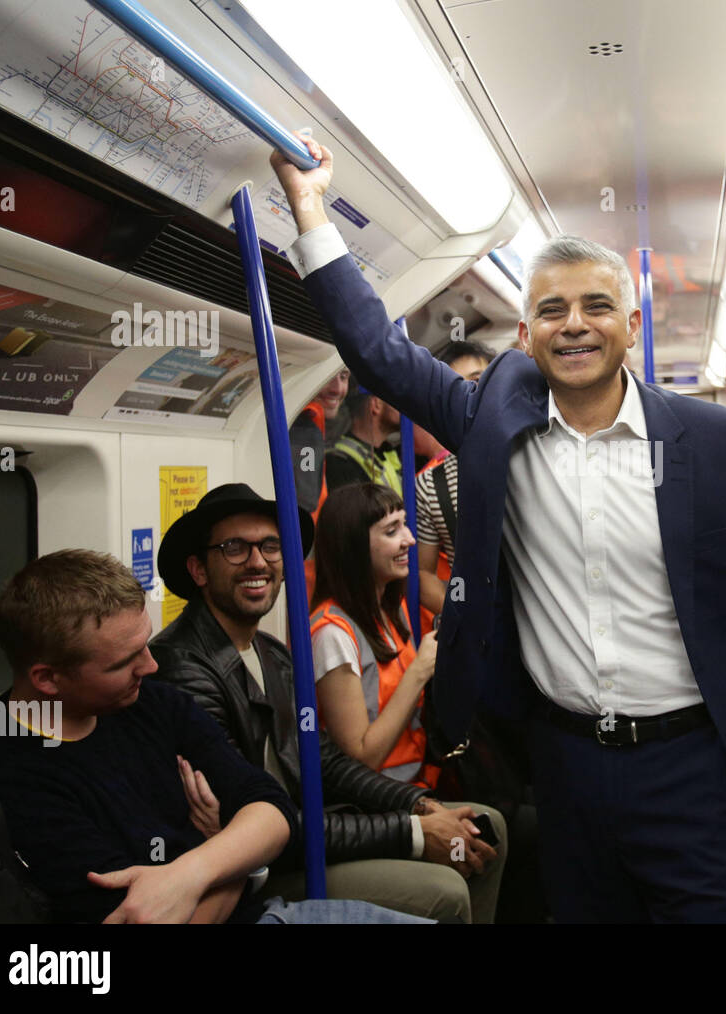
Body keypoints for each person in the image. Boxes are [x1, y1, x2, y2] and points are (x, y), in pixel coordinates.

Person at [273, 134, 726, 923]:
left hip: (700, 761)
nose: (574, 325)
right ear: (525, 335)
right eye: (551, 310)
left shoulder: (725, 443)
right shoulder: (490, 428)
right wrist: (312, 208)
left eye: (597, 306)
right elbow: (378, 353)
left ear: (631, 324)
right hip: (565, 766)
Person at [0, 549, 424, 924]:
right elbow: (136, 918)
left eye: (146, 643)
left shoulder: (153, 702)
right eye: (125, 661)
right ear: (47, 679)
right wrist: (237, 857)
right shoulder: (4, 766)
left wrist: (190, 871)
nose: (152, 664)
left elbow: (270, 807)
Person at [149, 483, 506, 923]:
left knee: (489, 828)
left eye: (270, 546)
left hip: (310, 827)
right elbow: (249, 823)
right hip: (264, 865)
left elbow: (325, 761)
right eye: (235, 548)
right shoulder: (184, 669)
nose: (258, 561)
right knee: (444, 891)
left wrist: (416, 805)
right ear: (198, 570)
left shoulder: (271, 654)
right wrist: (412, 833)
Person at [310, 482, 437, 787]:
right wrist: (420, 670)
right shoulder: (332, 635)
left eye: (405, 525)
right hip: (380, 801)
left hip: (416, 781)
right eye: (392, 531)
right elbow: (362, 759)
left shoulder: (390, 609)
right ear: (353, 546)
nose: (410, 539)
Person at [417, 340, 496, 617]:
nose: (469, 395)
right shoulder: (430, 485)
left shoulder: (535, 452)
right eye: (455, 388)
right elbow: (423, 575)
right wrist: (465, 619)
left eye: (477, 381)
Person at [289, 366, 349, 523]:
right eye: (327, 376)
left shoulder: (315, 427)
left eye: (343, 377)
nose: (337, 389)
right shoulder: (303, 432)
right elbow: (305, 505)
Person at [326, 388, 403, 496]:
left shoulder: (387, 452)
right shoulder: (339, 462)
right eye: (396, 398)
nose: (405, 407)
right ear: (376, 404)